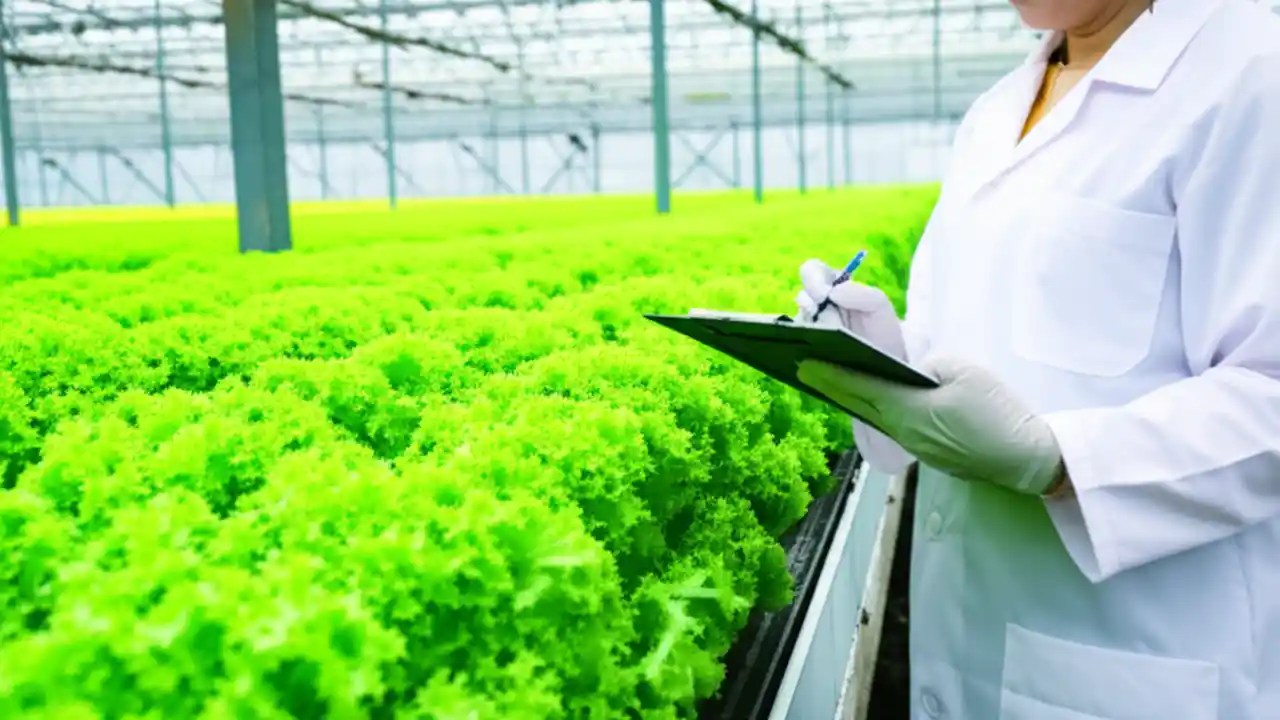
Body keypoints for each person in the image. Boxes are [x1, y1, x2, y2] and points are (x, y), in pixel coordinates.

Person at [793, 0, 1280, 717]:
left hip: (1140, 660)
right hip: (966, 635)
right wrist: (887, 356)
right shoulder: (996, 112)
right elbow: (981, 337)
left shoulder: (1252, 70)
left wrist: (1059, 461)